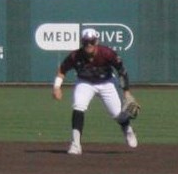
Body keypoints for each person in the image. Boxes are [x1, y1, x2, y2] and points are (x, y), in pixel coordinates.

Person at [52, 27, 138, 155]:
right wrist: (56, 87)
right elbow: (62, 70)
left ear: (96, 41)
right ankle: (75, 144)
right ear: (82, 42)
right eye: (86, 42)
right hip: (85, 82)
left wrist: (126, 92)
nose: (89, 44)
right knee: (78, 106)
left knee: (117, 114)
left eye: (91, 41)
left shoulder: (107, 53)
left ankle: (127, 129)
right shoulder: (75, 56)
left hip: (106, 83)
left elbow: (121, 70)